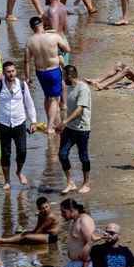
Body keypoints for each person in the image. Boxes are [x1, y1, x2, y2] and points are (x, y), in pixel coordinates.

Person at [0, 58, 36, 187]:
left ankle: (19, 172)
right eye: (8, 72)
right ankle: (7, 181)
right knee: (5, 153)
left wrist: (33, 121)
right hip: (4, 124)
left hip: (19, 123)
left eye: (13, 71)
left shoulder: (22, 85)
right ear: (4, 73)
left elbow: (29, 104)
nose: (12, 74)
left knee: (22, 151)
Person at [56, 65, 92, 194]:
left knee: (83, 157)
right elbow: (68, 109)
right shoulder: (69, 87)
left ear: (70, 76)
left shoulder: (83, 88)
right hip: (69, 128)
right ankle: (70, 183)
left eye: (64, 76)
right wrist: (61, 125)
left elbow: (79, 110)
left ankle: (86, 184)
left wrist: (64, 122)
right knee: (62, 154)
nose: (63, 79)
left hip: (82, 128)